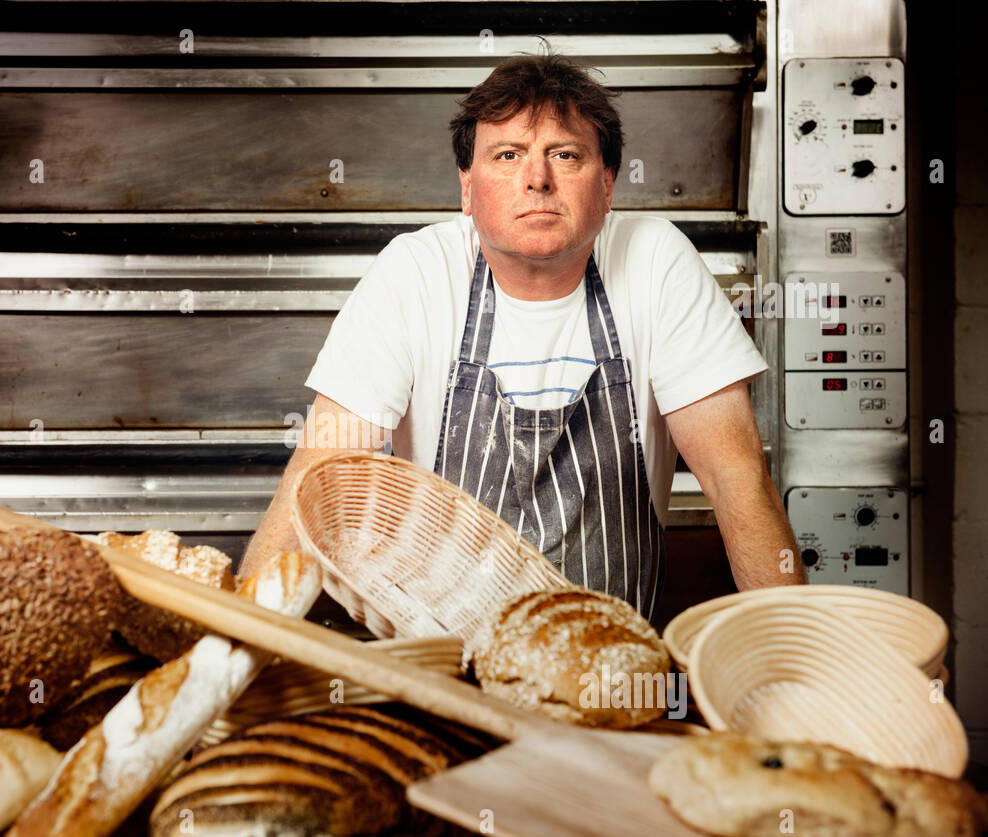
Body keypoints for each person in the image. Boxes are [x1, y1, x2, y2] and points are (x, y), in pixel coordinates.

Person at [240, 54, 805, 618]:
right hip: (445, 669)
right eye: (507, 155)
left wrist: (797, 674)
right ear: (467, 188)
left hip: (610, 674)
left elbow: (739, 484)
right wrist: (227, 655)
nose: (537, 179)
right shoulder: (414, 273)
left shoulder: (657, 262)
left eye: (565, 154)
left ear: (607, 186)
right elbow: (313, 482)